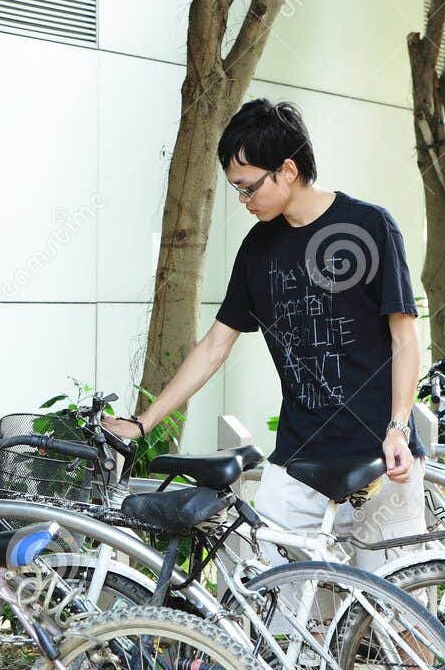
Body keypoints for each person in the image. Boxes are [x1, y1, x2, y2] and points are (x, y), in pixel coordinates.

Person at [104, 98, 426, 564]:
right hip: (298, 462)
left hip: (381, 457)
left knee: (392, 601)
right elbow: (215, 345)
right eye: (237, 190)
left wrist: (397, 428)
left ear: (287, 170)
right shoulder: (258, 249)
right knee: (275, 597)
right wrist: (144, 421)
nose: (244, 200)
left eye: (248, 187)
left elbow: (404, 338)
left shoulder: (369, 226)